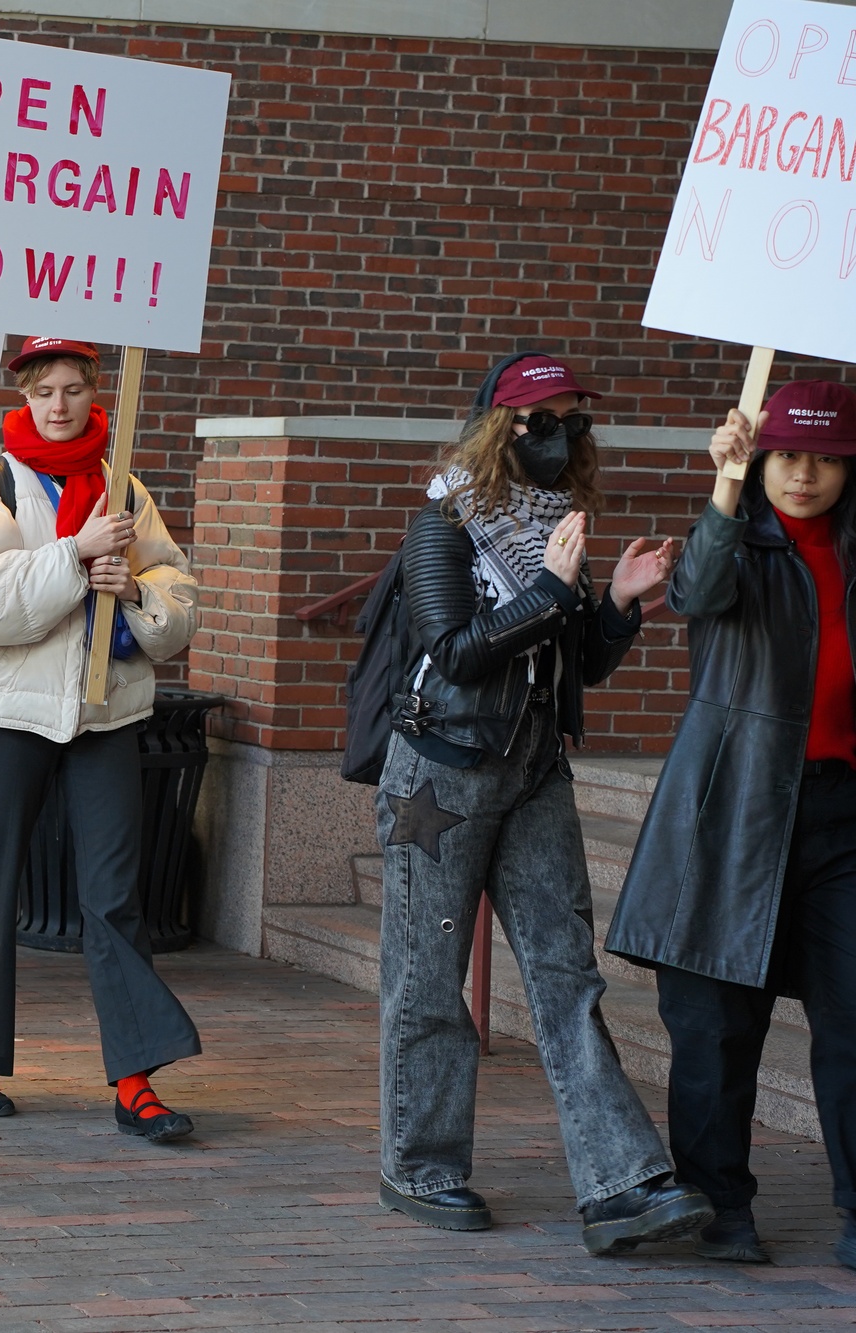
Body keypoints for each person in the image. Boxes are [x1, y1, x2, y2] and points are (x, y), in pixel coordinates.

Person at [372, 351, 710, 1254]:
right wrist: (554, 590)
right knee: (428, 980)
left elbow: (575, 665)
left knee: (568, 977)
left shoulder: (557, 522)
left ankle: (621, 1184)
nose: (561, 436)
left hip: (530, 774)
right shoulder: (442, 528)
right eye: (541, 420)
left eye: (573, 419)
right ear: (499, 427)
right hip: (439, 778)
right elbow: (456, 653)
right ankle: (421, 1165)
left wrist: (620, 607)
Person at [0, 337, 202, 1142]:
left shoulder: (124, 490)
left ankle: (136, 1077)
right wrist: (77, 558)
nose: (58, 404)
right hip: (8, 715)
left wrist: (138, 594)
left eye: (74, 389)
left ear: (94, 395)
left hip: (104, 714)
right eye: (44, 389)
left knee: (115, 894)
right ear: (24, 395)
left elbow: (178, 594)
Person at [608, 379, 856, 1268]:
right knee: (715, 1022)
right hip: (732, 812)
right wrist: (723, 484)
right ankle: (720, 1206)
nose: (806, 475)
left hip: (840, 816)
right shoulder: (734, 542)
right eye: (789, 455)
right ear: (762, 462)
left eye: (827, 458)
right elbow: (697, 592)